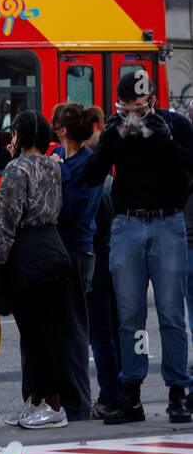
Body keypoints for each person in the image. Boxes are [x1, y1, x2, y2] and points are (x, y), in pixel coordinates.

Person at [85, 69, 193, 424]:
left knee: (171, 314)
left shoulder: (173, 124)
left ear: (153, 102)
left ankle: (179, 391)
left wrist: (165, 141)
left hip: (167, 220)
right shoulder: (118, 129)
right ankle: (131, 392)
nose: (133, 115)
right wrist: (110, 140)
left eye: (139, 108)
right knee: (130, 315)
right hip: (128, 221)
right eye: (126, 108)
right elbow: (92, 175)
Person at [0, 111, 73, 429]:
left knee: (35, 334)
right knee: (49, 331)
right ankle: (38, 400)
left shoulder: (15, 168)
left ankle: (51, 404)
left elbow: (5, 220)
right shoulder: (54, 164)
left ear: (20, 137)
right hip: (54, 246)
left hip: (28, 253)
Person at [51, 103, 104, 422]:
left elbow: (77, 209)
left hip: (79, 249)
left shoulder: (87, 164)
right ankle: (64, 398)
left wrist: (61, 173)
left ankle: (79, 403)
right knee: (62, 328)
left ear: (64, 130)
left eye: (57, 125)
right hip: (62, 247)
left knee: (75, 329)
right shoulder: (61, 154)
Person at [86, 107, 123, 417]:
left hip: (97, 263)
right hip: (114, 258)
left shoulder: (90, 176)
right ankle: (122, 390)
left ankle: (110, 394)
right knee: (116, 328)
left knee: (101, 333)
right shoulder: (110, 179)